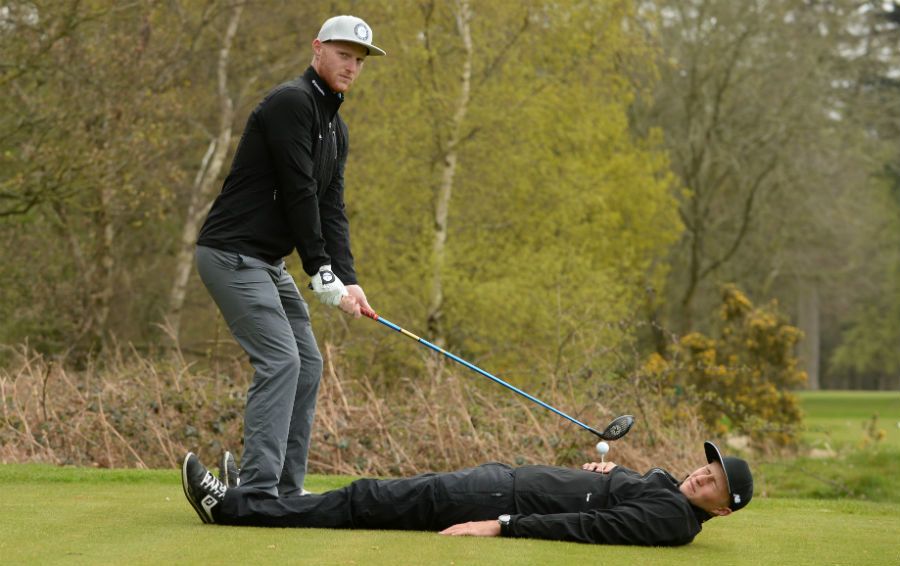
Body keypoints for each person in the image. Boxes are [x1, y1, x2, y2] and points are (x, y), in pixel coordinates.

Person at [193, 15, 385, 498]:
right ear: (317, 49)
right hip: (231, 255)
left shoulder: (336, 128)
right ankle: (257, 492)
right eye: (343, 55)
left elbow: (330, 206)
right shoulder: (291, 103)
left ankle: (285, 490)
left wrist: (347, 277)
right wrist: (319, 270)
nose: (351, 67)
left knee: (308, 362)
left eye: (359, 60)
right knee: (281, 362)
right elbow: (297, 190)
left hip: (268, 264)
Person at [181, 441, 753, 546]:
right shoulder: (668, 496)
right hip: (501, 479)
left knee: (366, 499)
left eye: (714, 483)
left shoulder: (670, 519)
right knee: (370, 498)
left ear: (721, 508)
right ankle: (257, 502)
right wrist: (611, 474)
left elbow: (590, 528)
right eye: (708, 467)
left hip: (494, 499)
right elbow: (612, 502)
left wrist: (500, 524)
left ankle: (230, 507)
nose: (702, 476)